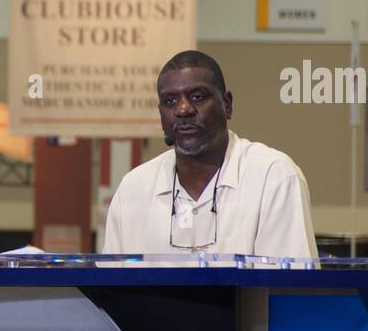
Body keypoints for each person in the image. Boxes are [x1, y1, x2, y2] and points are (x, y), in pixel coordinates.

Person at [102, 51, 318, 260]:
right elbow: (109, 289)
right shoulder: (133, 189)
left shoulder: (273, 177)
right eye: (170, 101)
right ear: (160, 114)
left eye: (197, 97)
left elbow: (289, 289)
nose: (183, 109)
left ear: (227, 105)